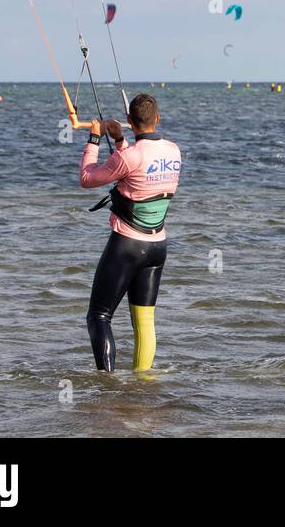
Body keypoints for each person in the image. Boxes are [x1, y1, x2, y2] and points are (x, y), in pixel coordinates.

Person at [79, 93, 182, 372]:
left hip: (127, 245)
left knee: (99, 317)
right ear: (157, 119)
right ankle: (144, 385)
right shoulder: (174, 150)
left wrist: (95, 138)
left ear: (128, 121)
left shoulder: (131, 156)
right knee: (145, 322)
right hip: (157, 247)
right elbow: (138, 168)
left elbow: (87, 179)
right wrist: (121, 142)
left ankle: (108, 387)